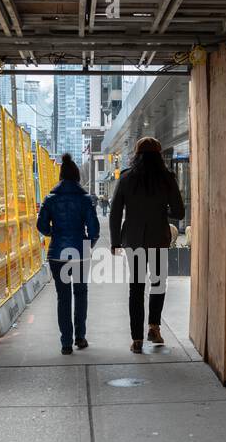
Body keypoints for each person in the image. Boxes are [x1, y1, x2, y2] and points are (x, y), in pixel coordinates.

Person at [109, 136, 185, 353]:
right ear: (159, 156)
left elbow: (115, 213)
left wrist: (115, 242)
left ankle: (136, 340)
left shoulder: (126, 178)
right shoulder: (167, 178)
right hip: (159, 239)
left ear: (136, 155)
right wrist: (163, 212)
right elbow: (179, 212)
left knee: (136, 288)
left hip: (133, 241)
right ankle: (154, 327)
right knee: (158, 283)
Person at [37, 153, 100, 354]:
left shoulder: (50, 199)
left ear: (61, 175)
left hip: (57, 254)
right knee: (81, 293)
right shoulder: (86, 200)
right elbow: (94, 229)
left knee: (62, 297)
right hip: (80, 253)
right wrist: (88, 244)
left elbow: (41, 226)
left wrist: (53, 233)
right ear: (77, 176)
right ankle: (80, 337)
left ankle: (65, 343)